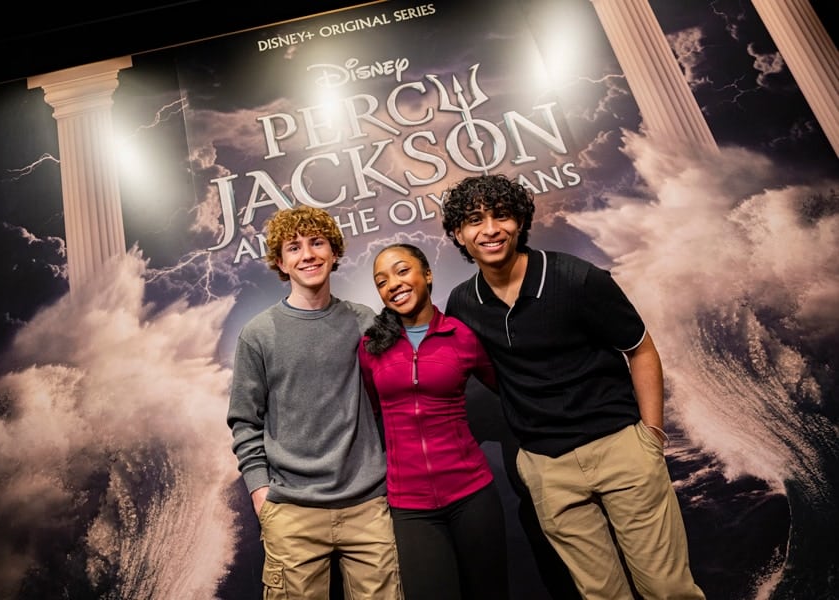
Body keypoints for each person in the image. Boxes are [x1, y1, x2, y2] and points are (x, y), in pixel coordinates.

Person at [440, 173, 705, 600]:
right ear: (459, 233)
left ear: (520, 222)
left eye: (501, 216)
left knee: (668, 589)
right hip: (547, 467)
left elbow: (640, 350)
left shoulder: (577, 278)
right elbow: (482, 372)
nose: (490, 229)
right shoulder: (463, 303)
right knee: (601, 595)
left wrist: (652, 437)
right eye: (474, 220)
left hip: (620, 448)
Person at [226, 205, 403, 599]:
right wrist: (261, 494)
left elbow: (394, 397)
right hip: (292, 511)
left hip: (369, 506)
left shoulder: (365, 322)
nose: (307, 255)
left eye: (317, 243)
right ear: (280, 262)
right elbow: (244, 421)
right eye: (294, 247)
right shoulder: (258, 335)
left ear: (334, 252)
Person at [357, 243, 509, 600]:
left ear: (427, 274)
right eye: (381, 281)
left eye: (402, 271)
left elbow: (507, 387)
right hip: (410, 506)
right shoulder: (370, 347)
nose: (393, 283)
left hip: (472, 494)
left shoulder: (462, 335)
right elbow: (372, 410)